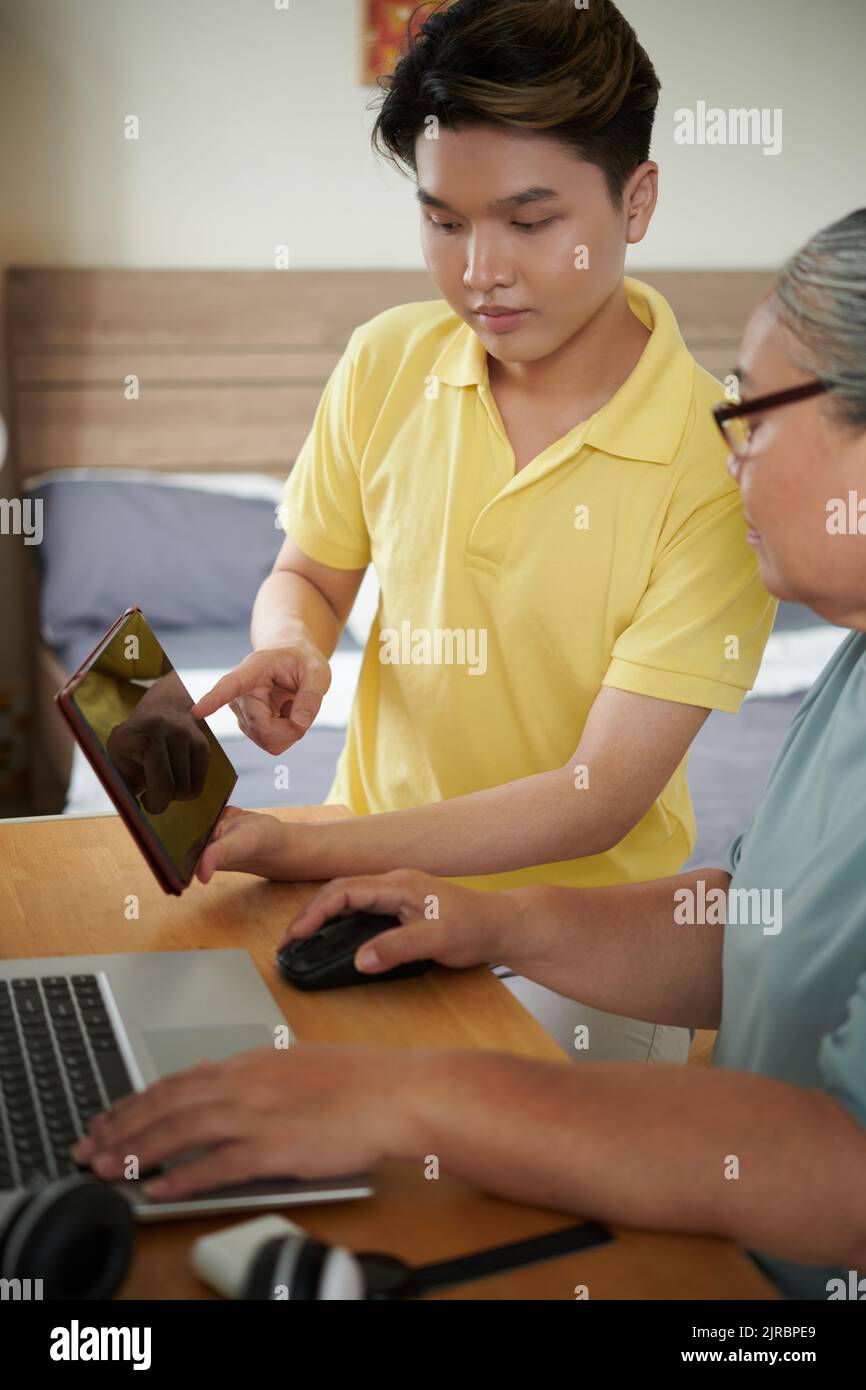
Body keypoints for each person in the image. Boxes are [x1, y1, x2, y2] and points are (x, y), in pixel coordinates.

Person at [76, 210, 866, 1300]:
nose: (727, 441)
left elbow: (846, 1167)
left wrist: (417, 1096)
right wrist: (492, 917)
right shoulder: (854, 664)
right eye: (443, 217)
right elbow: (751, 922)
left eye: (757, 412)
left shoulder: (691, 473)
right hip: (726, 1231)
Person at [189, 0, 775, 1065]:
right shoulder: (386, 360)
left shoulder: (721, 464)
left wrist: (299, 846)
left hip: (585, 946)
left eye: (528, 220)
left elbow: (594, 799)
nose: (478, 272)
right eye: (444, 222)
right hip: (362, 895)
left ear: (633, 199)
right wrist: (292, 642)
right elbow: (310, 572)